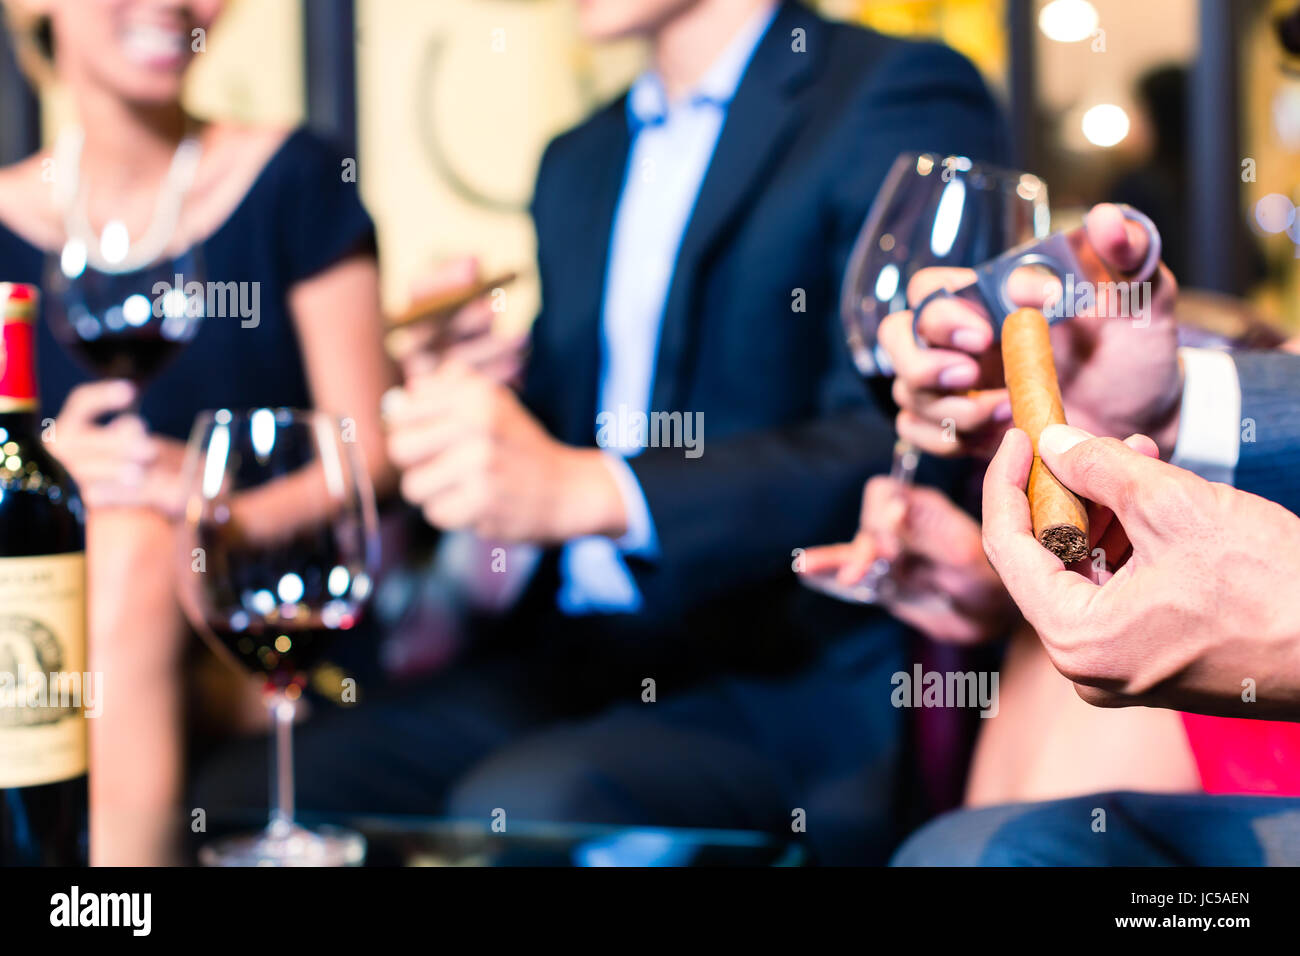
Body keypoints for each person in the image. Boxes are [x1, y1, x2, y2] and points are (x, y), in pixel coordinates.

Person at [196, 0, 1005, 863]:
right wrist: (472, 385)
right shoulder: (579, 157)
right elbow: (556, 436)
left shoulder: (892, 90)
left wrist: (599, 492)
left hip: (785, 674)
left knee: (524, 804)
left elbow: (904, 432)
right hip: (570, 660)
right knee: (244, 799)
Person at [0, 0, 395, 863]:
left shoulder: (296, 178)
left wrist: (217, 510)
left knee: (140, 545)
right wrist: (45, 477)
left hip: (254, 624)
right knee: (107, 548)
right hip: (50, 625)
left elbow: (369, 452)